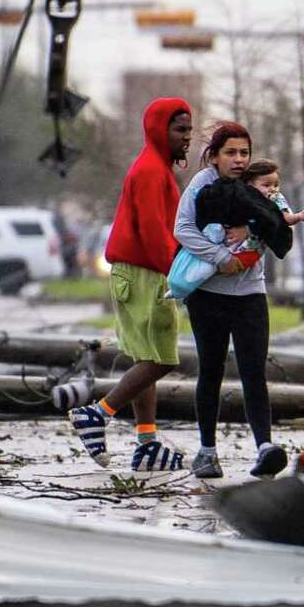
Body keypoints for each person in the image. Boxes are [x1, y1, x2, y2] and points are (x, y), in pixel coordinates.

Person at [69, 96, 194, 472]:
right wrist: (179, 276)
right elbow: (155, 232)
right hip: (144, 272)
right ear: (160, 130)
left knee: (147, 356)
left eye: (189, 129)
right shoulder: (150, 171)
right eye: (180, 129)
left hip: (137, 271)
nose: (187, 137)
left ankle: (147, 443)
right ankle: (98, 412)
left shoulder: (156, 167)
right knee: (161, 358)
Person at [176, 121, 293, 480]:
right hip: (208, 294)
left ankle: (264, 448)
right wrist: (219, 257)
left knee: (253, 370)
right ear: (214, 155)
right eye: (231, 152)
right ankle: (207, 451)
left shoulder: (259, 185)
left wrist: (252, 227)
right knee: (211, 370)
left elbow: (280, 226)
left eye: (244, 152)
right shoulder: (202, 184)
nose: (239, 159)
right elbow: (182, 229)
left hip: (250, 293)